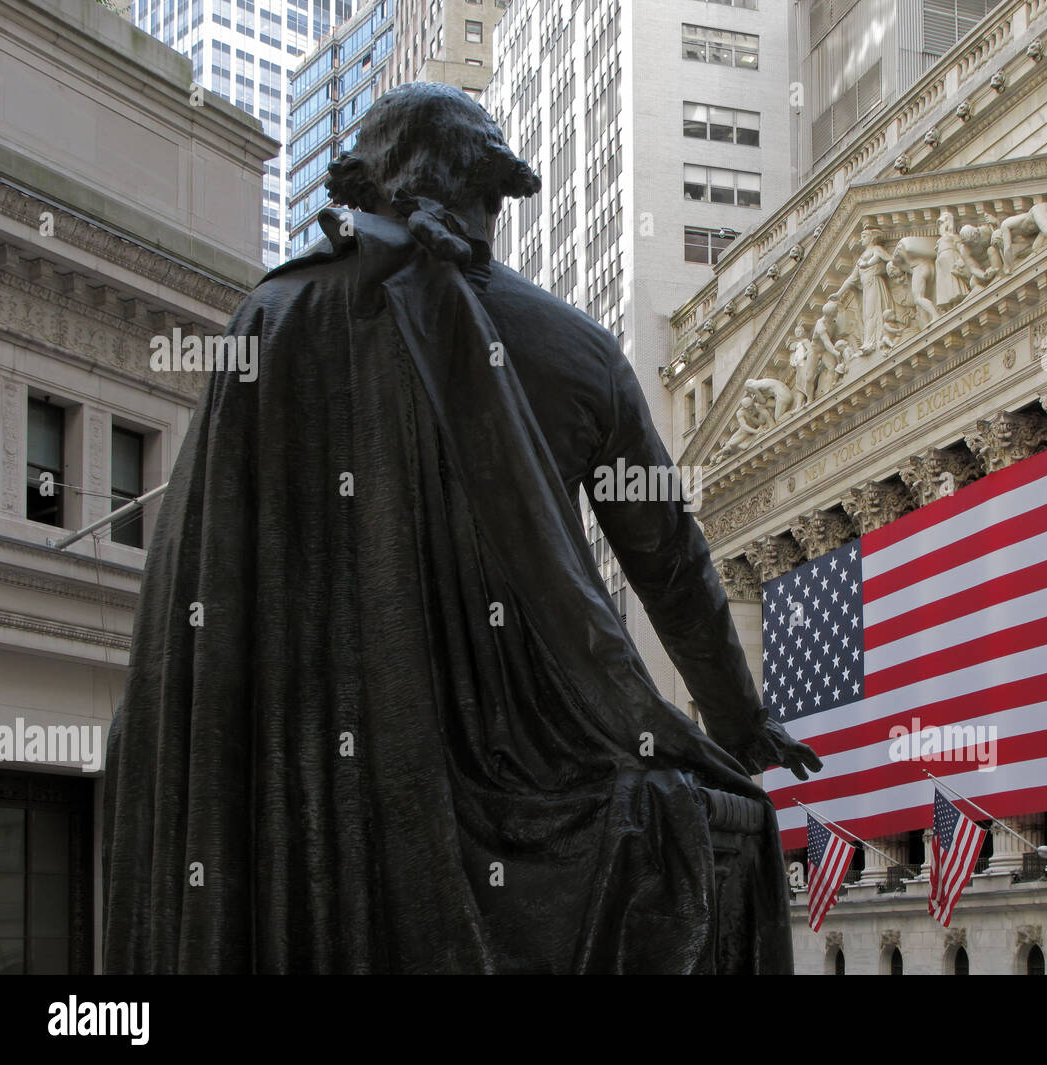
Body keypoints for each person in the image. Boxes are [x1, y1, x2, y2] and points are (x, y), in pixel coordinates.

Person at [102, 83, 819, 975]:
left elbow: (206, 590)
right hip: (546, 766)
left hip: (320, 779)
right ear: (495, 194)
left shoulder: (273, 321)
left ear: (367, 184)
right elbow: (669, 560)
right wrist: (740, 723)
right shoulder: (578, 347)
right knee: (715, 820)